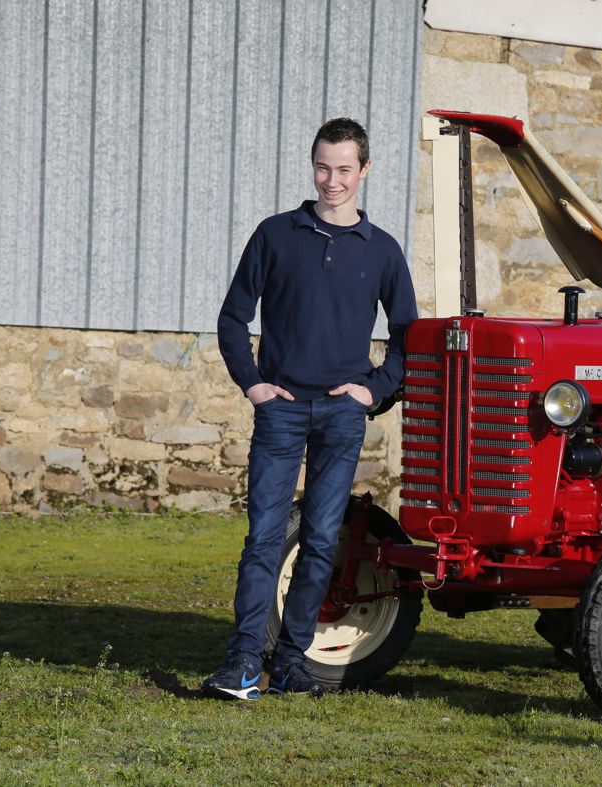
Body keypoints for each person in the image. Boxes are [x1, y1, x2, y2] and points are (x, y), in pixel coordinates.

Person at [203, 117, 416, 699]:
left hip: (343, 415)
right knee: (265, 537)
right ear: (312, 165)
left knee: (323, 539)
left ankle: (293, 662)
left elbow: (407, 336)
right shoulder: (275, 235)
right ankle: (245, 661)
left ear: (364, 170)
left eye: (345, 169)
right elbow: (232, 318)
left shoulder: (383, 251)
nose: (333, 180)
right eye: (323, 167)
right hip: (282, 410)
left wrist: (374, 390)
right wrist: (253, 384)